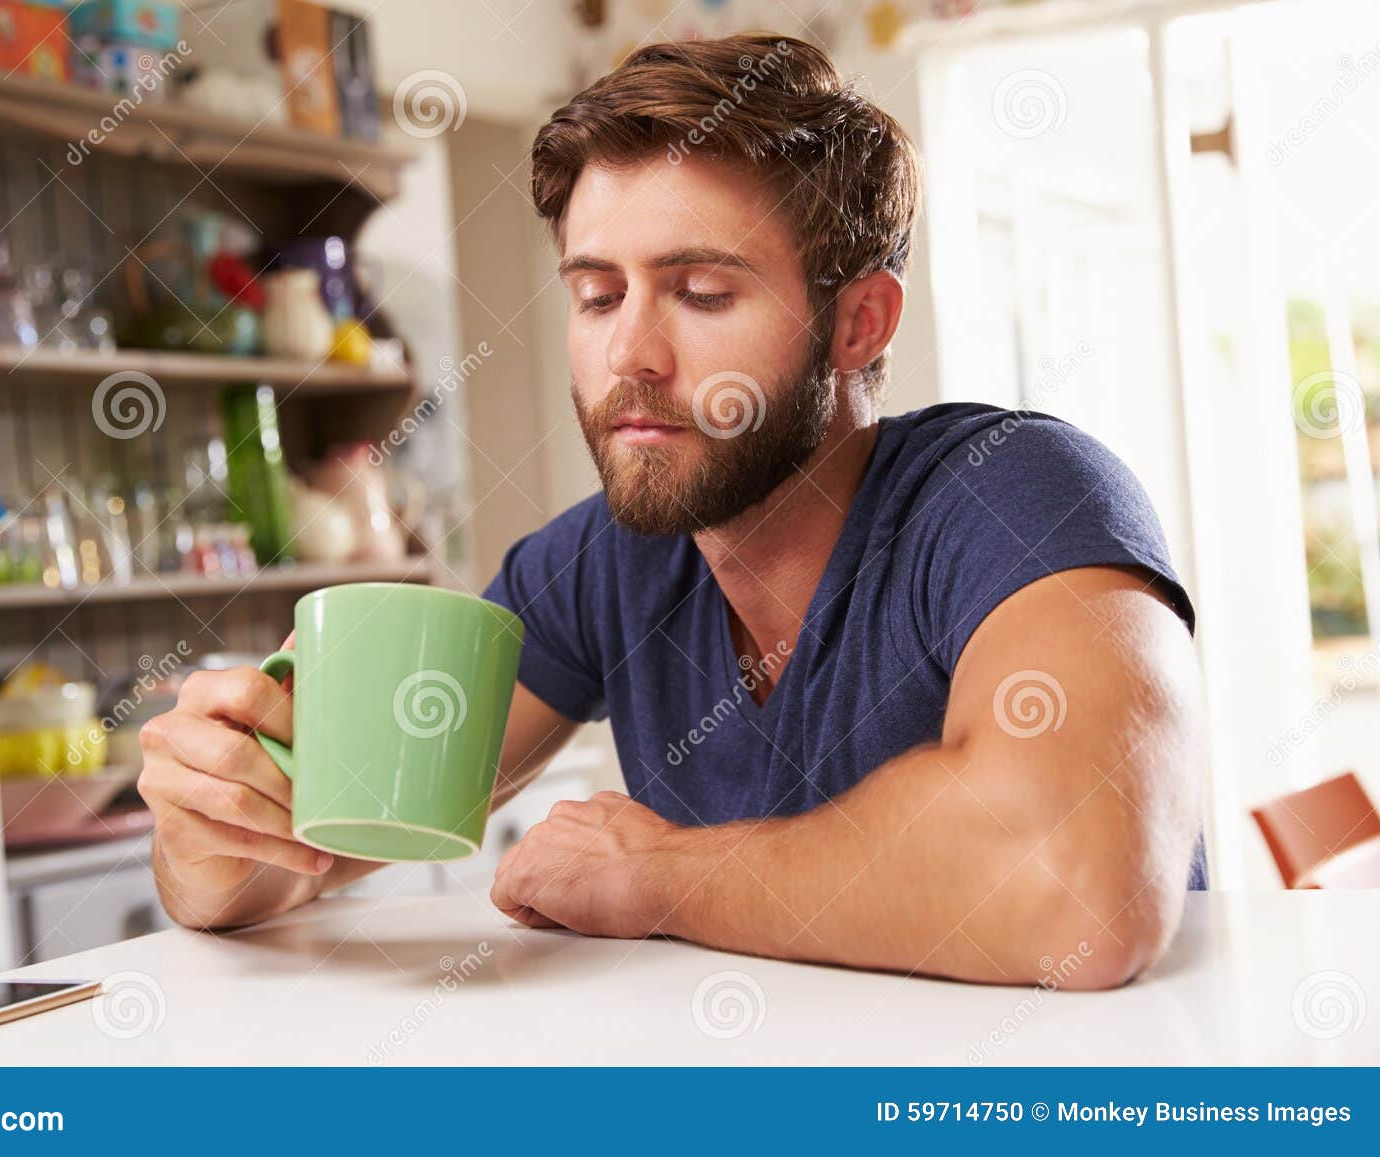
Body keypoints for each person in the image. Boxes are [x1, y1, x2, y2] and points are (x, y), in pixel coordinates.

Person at [138, 34, 1205, 990]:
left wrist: (658, 874)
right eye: (597, 294)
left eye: (701, 293)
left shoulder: (1016, 493)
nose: (629, 356)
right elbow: (321, 837)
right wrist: (210, 831)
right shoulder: (603, 565)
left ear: (859, 323)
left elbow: (1080, 889)